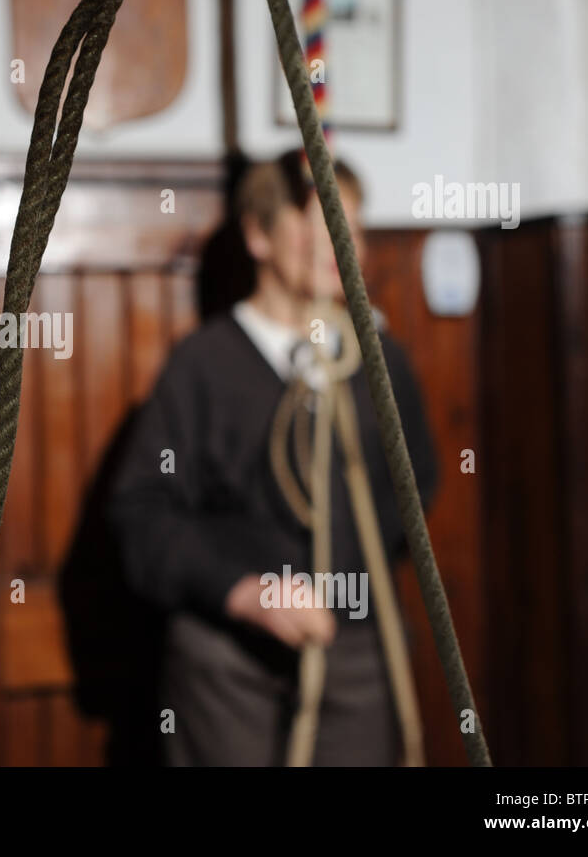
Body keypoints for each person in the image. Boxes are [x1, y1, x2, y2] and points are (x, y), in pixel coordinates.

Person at [108, 150, 437, 766]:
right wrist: (243, 590)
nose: (340, 243)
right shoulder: (201, 367)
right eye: (317, 225)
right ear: (258, 234)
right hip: (226, 666)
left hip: (355, 653)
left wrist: (342, 586)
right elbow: (141, 512)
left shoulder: (380, 362)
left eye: (354, 228)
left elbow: (415, 488)